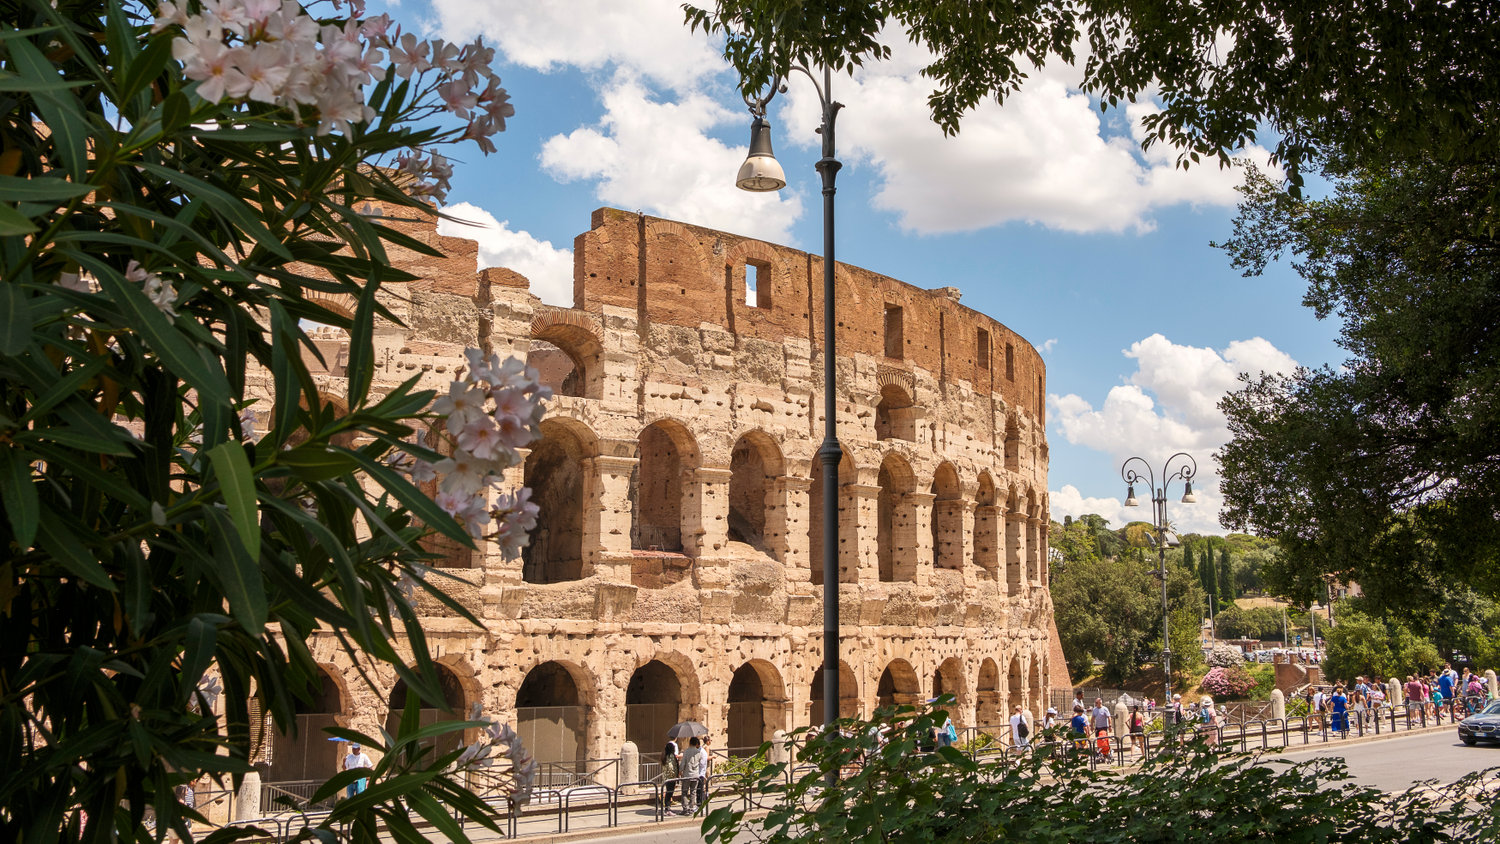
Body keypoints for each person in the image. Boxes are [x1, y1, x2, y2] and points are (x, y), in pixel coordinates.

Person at [680, 736, 707, 815]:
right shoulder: (699, 752)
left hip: (687, 774)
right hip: (696, 775)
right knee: (693, 792)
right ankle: (691, 808)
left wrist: (680, 770)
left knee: (684, 792)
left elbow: (683, 763)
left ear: (690, 743)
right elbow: (701, 763)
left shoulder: (686, 752)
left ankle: (685, 809)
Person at [661, 739, 681, 811]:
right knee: (669, 792)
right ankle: (667, 808)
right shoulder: (670, 756)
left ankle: (667, 807)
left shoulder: (665, 756)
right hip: (671, 777)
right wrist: (675, 775)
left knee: (669, 792)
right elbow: (671, 767)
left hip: (667, 777)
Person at [696, 736, 712, 810]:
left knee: (704, 782)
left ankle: (704, 797)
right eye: (710, 740)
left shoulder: (702, 746)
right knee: (707, 781)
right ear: (708, 741)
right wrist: (713, 757)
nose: (711, 742)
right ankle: (707, 797)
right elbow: (707, 757)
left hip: (701, 767)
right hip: (706, 766)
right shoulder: (707, 747)